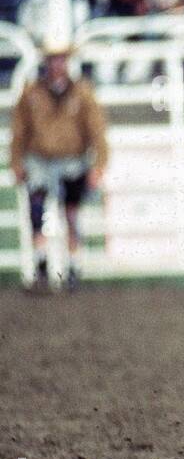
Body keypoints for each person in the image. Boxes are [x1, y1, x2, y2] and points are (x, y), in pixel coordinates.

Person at [9, 42, 109, 291]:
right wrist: (17, 162)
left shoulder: (81, 93)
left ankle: (73, 266)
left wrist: (98, 164)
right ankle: (42, 264)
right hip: (39, 158)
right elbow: (19, 132)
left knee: (72, 212)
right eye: (53, 59)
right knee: (37, 210)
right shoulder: (32, 93)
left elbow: (97, 130)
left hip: (71, 158)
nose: (57, 65)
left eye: (61, 59)